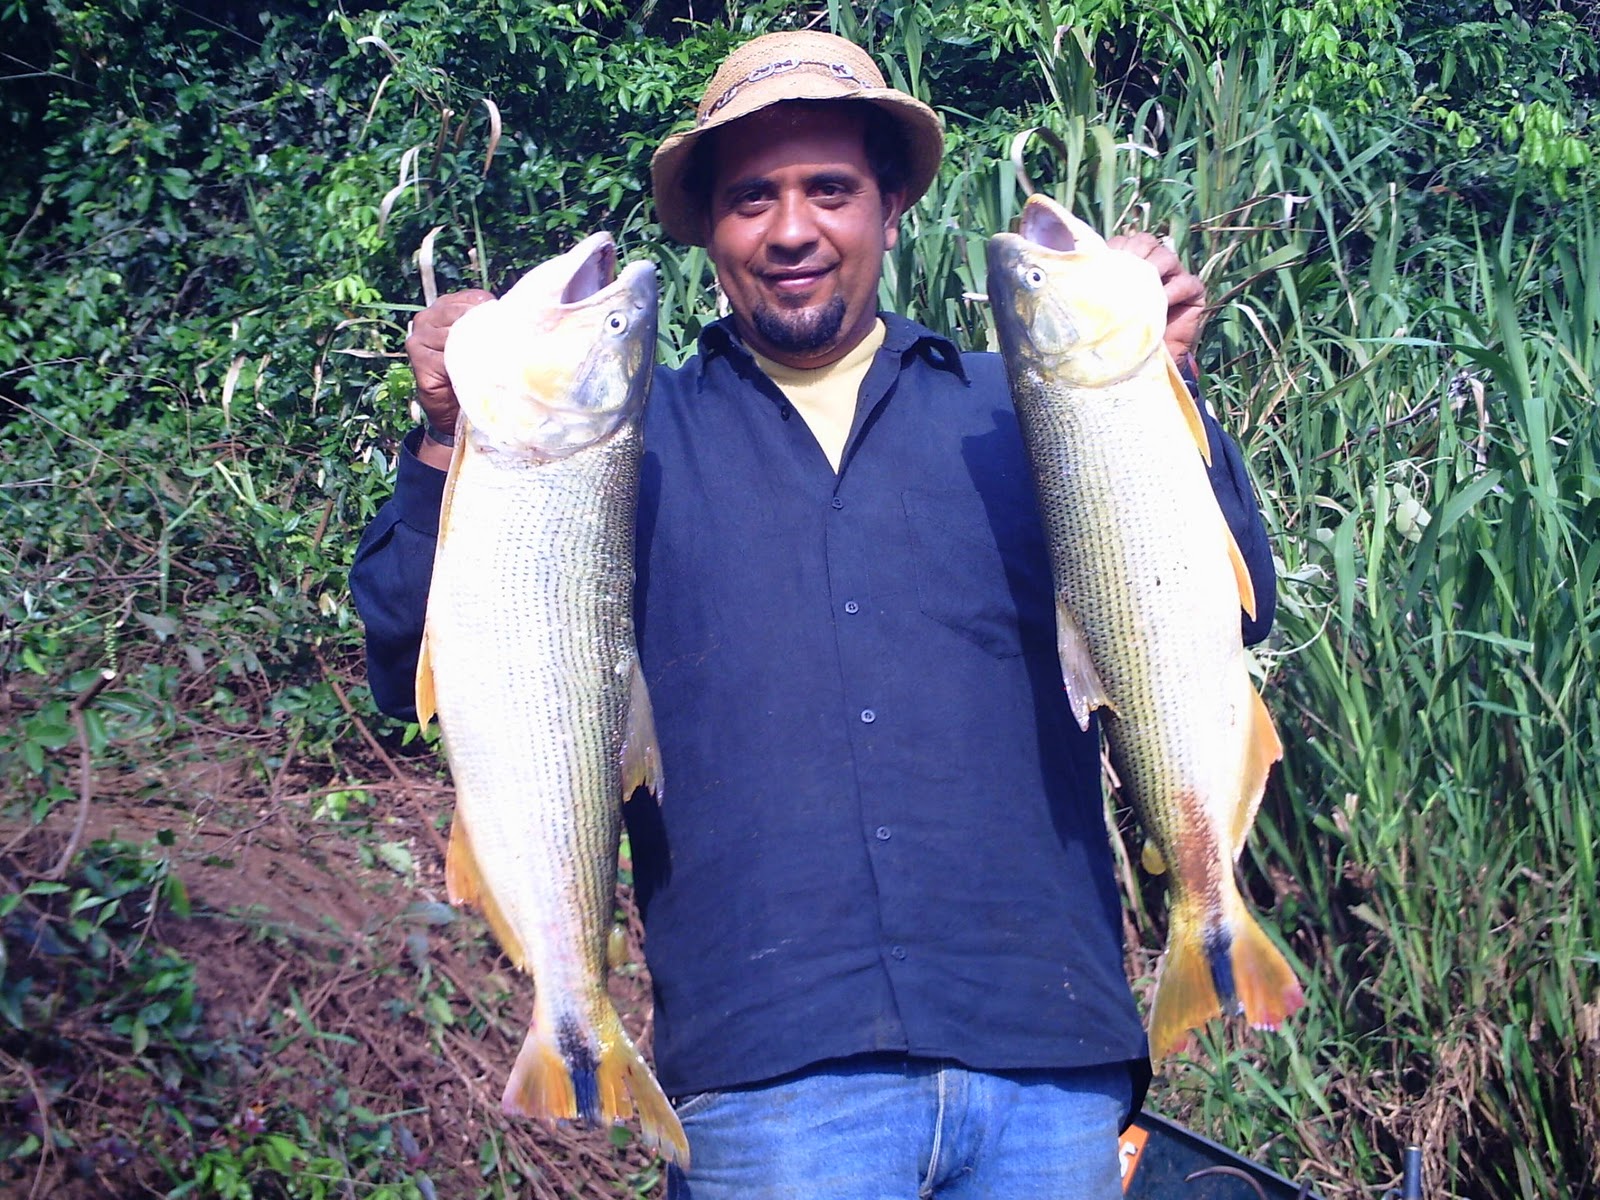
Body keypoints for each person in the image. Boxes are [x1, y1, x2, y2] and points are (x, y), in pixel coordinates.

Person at [351, 29, 1275, 1200]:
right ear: (708, 232)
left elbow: (1222, 607)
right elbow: (408, 662)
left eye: (828, 189)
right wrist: (449, 437)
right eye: (752, 199)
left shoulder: (1026, 408)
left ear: (890, 208)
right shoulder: (607, 445)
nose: (791, 230)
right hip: (769, 1081)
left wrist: (1162, 390)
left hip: (1049, 1059)